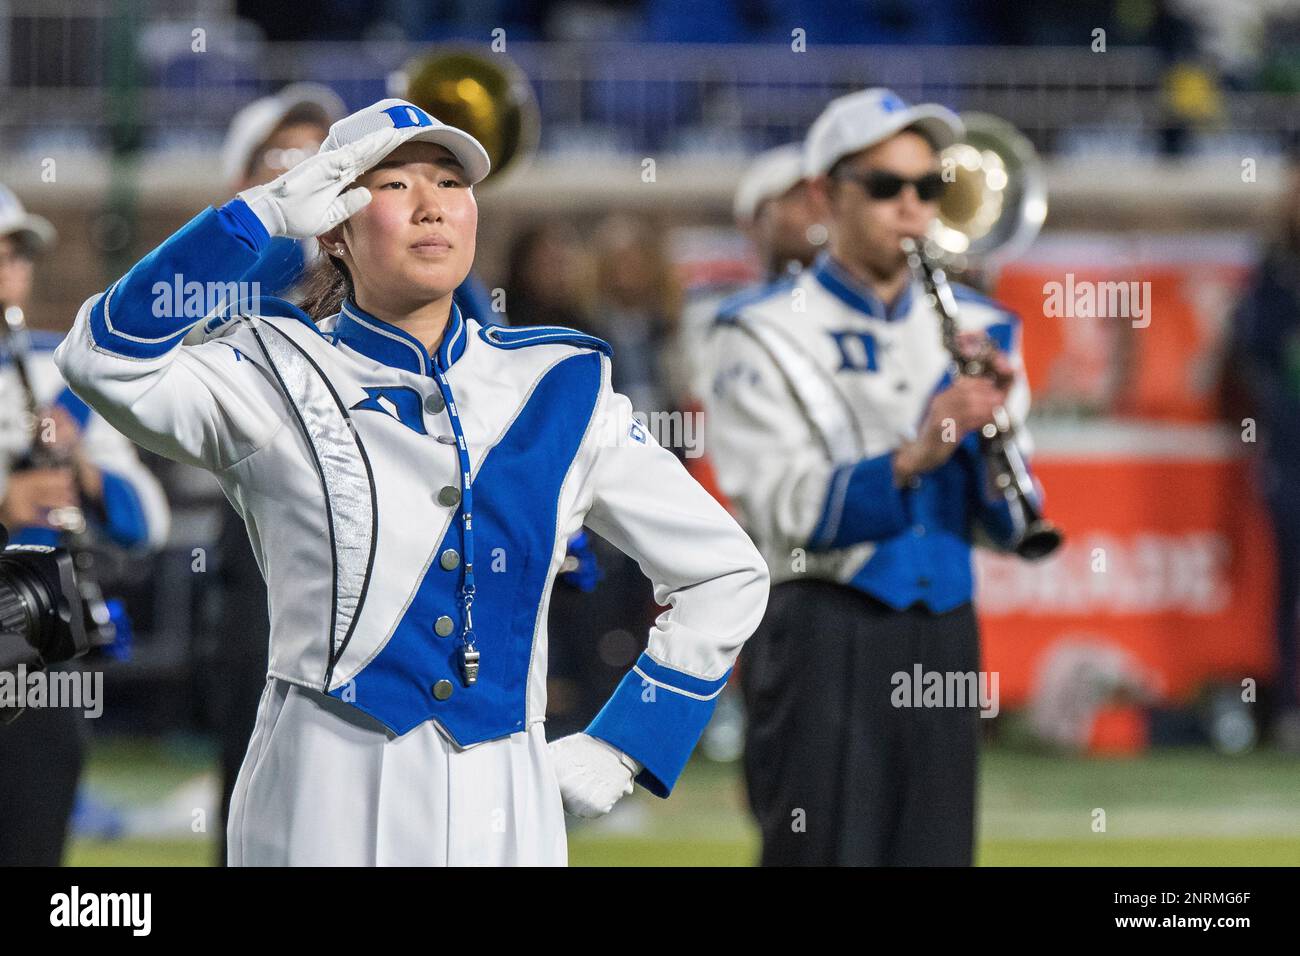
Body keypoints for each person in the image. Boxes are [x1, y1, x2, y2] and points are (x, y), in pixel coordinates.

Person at [55, 98, 769, 866]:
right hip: (320, 778)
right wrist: (256, 217)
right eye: (394, 186)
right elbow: (102, 359)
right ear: (334, 226)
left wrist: (629, 740)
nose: (432, 205)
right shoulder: (266, 369)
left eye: (451, 182)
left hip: (505, 792)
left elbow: (726, 571)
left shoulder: (561, 385)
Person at [704, 88, 1042, 866]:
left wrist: (997, 449)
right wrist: (917, 452)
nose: (912, 207)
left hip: (947, 631)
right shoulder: (759, 328)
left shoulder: (982, 328)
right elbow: (777, 505)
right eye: (886, 187)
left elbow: (1011, 523)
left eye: (928, 188)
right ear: (827, 193)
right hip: (824, 625)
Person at [0, 184, 169, 865]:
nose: (8, 269)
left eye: (14, 253)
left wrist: (84, 472)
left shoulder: (56, 368)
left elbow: (148, 520)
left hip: (35, 656)